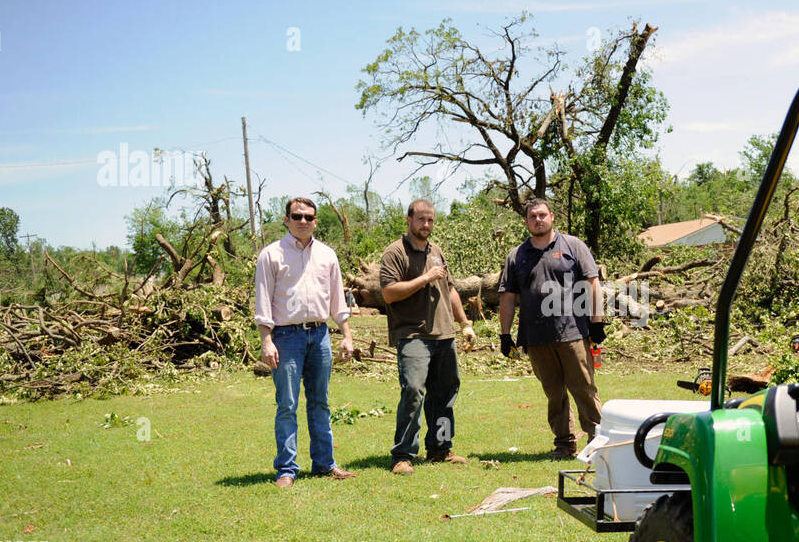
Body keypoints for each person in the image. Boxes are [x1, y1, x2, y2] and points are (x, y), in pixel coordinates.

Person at [254, 197, 357, 488]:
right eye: (297, 216)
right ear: (286, 220)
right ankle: (286, 469)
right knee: (287, 404)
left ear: (315, 221)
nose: (303, 221)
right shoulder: (271, 255)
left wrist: (347, 335)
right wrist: (267, 341)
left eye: (308, 217)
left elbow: (338, 300)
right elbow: (263, 303)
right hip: (286, 337)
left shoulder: (327, 255)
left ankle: (325, 464)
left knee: (320, 402)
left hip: (320, 335)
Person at [498, 198, 605, 459]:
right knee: (554, 393)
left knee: (583, 387)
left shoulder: (573, 245)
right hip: (535, 337)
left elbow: (592, 283)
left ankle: (599, 441)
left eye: (542, 215)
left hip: (573, 332)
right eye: (532, 216)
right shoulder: (517, 255)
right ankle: (564, 444)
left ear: (552, 216)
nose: (538, 219)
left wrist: (597, 322)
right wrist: (504, 334)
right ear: (526, 221)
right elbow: (508, 297)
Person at [379, 199, 476, 475]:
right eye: (421, 219)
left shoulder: (437, 250)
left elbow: (451, 289)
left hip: (444, 334)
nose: (426, 225)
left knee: (445, 393)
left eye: (431, 220)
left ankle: (440, 449)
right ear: (408, 220)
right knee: (413, 391)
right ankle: (403, 455)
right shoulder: (395, 253)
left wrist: (465, 323)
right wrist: (424, 278)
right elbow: (389, 293)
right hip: (413, 334)